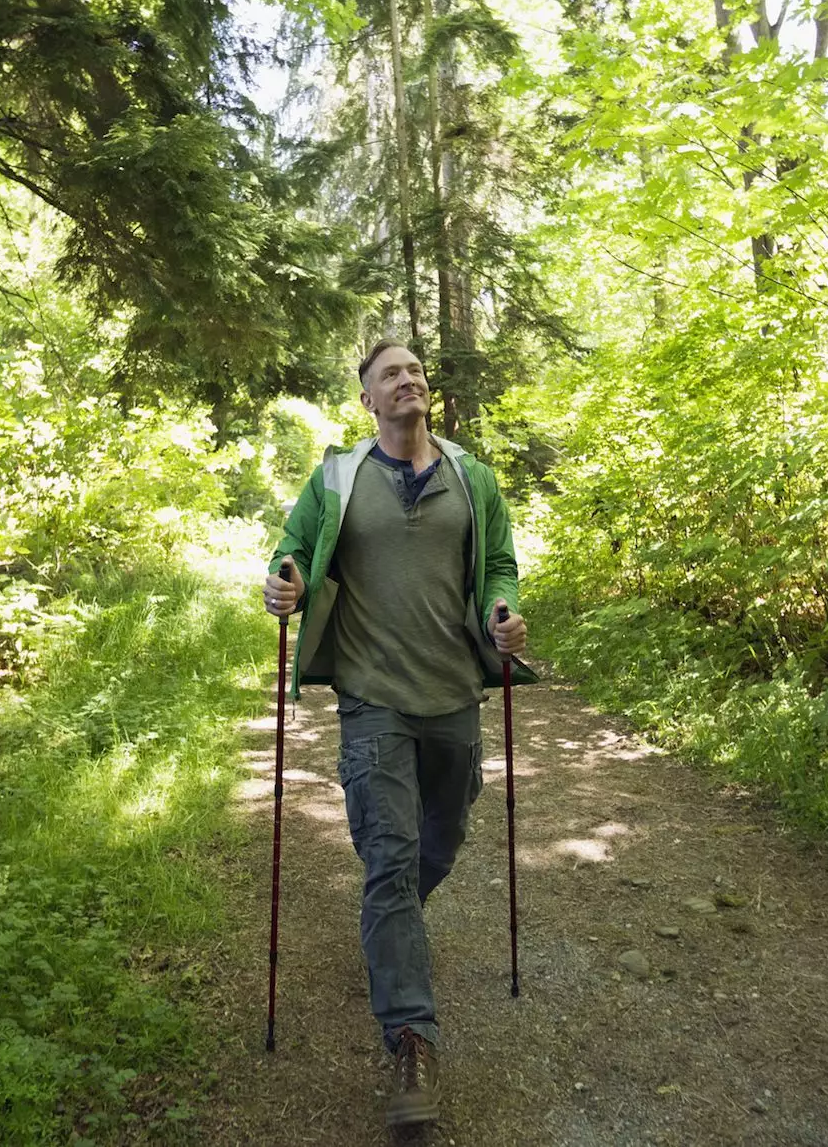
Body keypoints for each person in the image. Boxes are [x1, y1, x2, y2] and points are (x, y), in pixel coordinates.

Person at [261, 339, 533, 1129]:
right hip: (372, 699)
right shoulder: (338, 478)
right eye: (391, 374)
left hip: (453, 696)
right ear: (367, 401)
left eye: (415, 371)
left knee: (437, 844)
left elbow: (501, 567)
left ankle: (393, 928)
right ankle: (411, 1036)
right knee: (390, 854)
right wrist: (285, 579)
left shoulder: (472, 479)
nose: (409, 380)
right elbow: (295, 550)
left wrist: (502, 611)